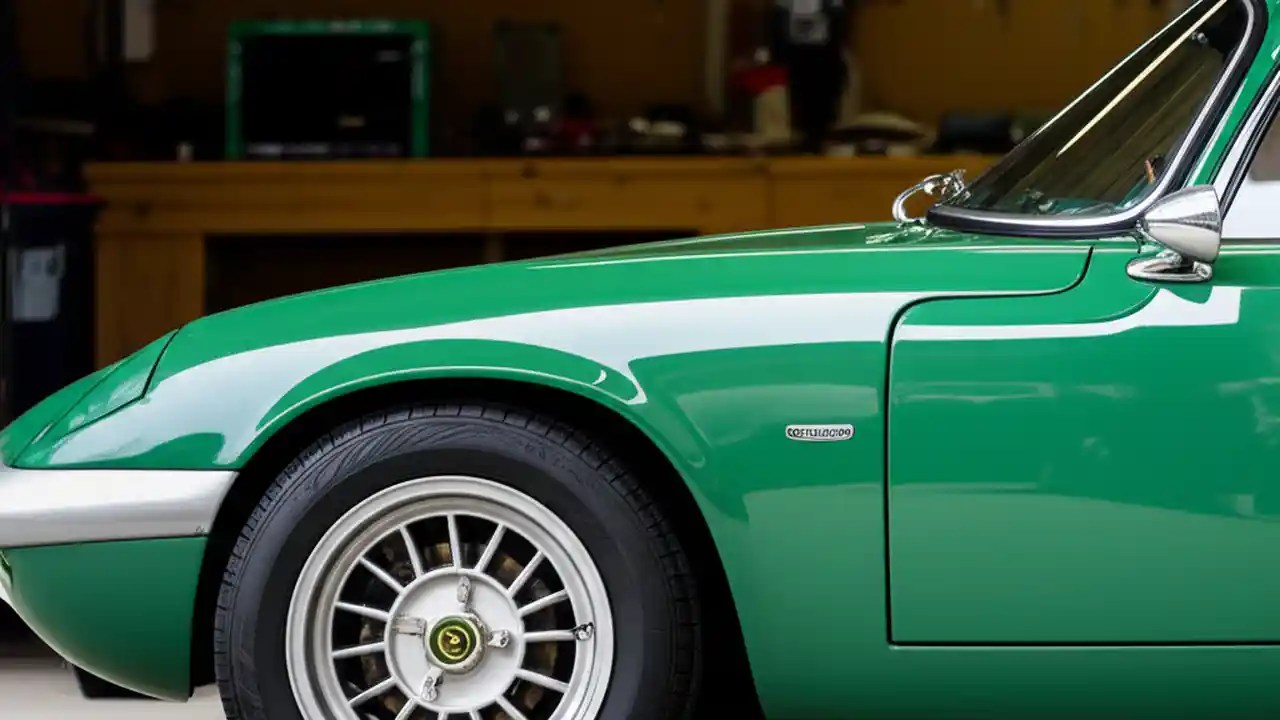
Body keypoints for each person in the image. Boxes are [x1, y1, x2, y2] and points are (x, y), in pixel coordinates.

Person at [771, 0, 849, 153]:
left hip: (824, 56)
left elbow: (838, 25)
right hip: (797, 54)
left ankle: (818, 135)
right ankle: (804, 135)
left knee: (822, 99)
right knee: (800, 96)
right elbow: (778, 21)